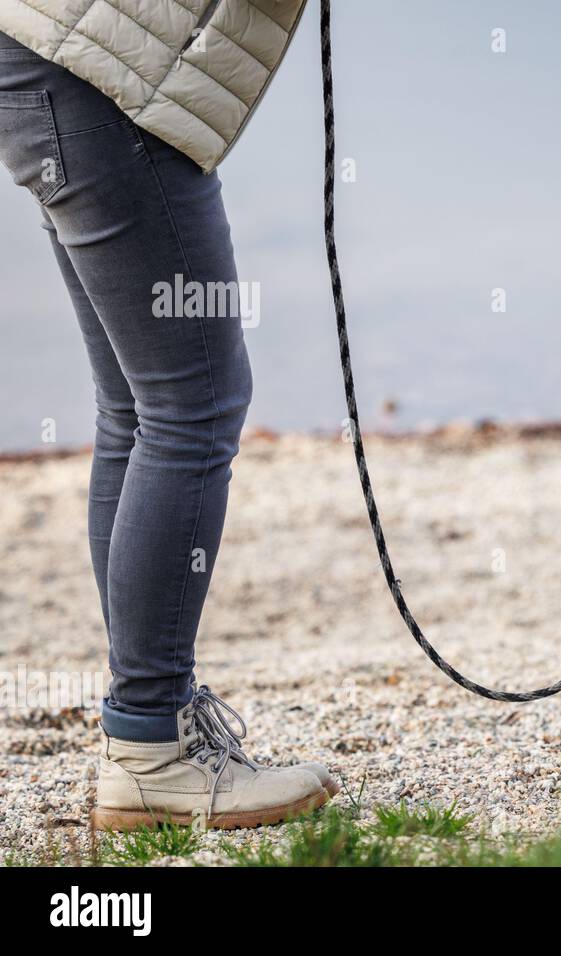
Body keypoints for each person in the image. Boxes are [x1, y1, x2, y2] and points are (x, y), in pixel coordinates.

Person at [0, 2, 336, 830]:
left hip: (56, 60)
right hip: (100, 77)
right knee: (193, 407)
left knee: (138, 406)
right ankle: (152, 750)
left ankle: (155, 724)